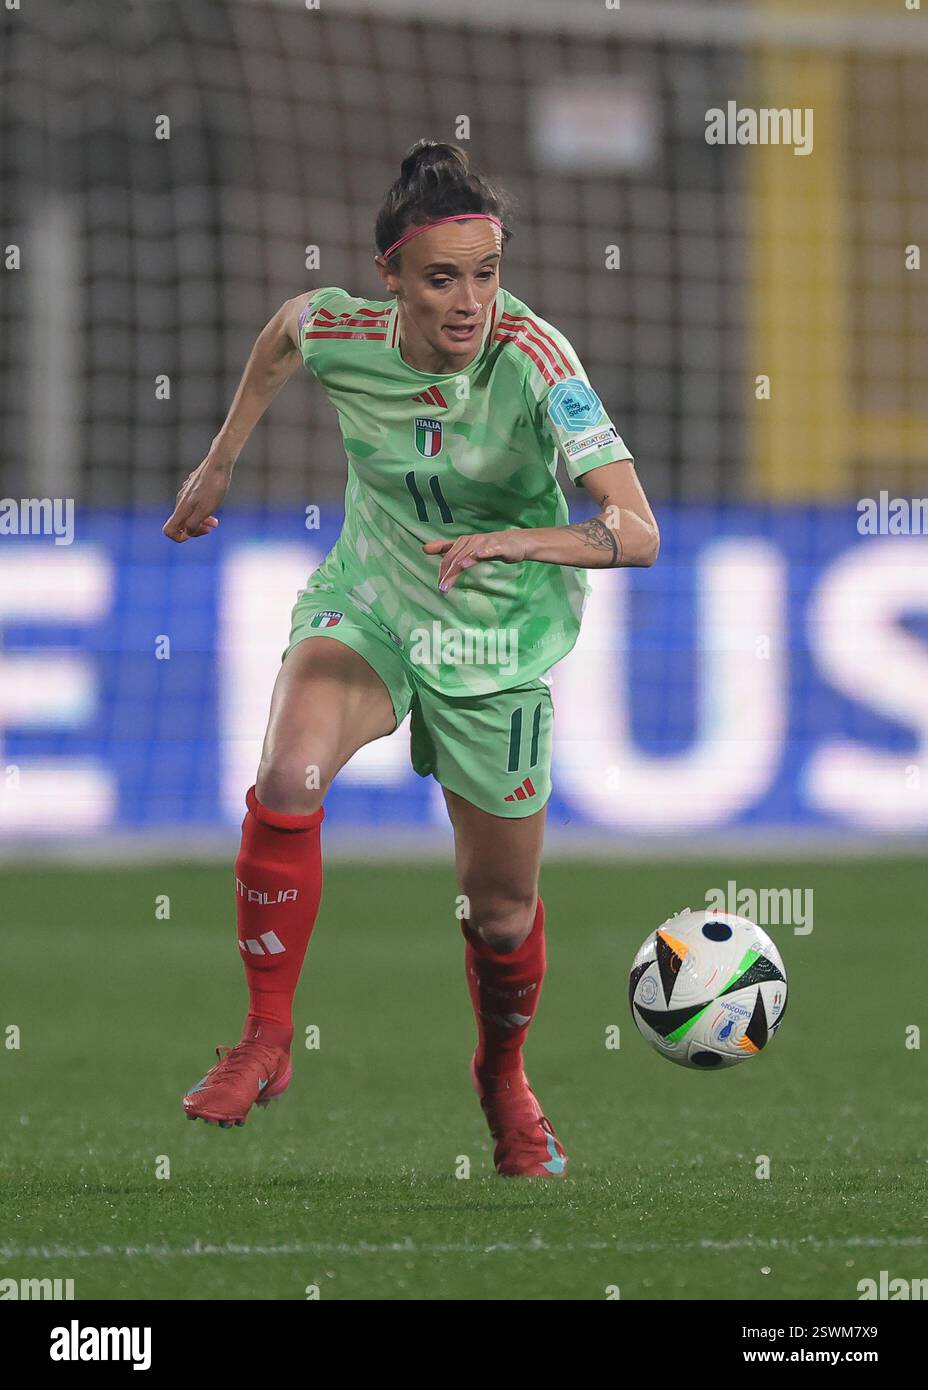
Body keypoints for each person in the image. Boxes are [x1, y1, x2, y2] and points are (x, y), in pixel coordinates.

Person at [164, 139, 659, 1178]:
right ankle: (264, 1036)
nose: (471, 299)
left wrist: (517, 539)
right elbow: (286, 332)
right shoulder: (347, 328)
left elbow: (635, 528)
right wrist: (218, 463)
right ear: (390, 275)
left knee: (500, 909)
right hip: (375, 604)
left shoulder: (536, 361)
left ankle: (502, 1079)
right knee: (286, 779)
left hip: (493, 642)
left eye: (486, 273)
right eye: (443, 277)